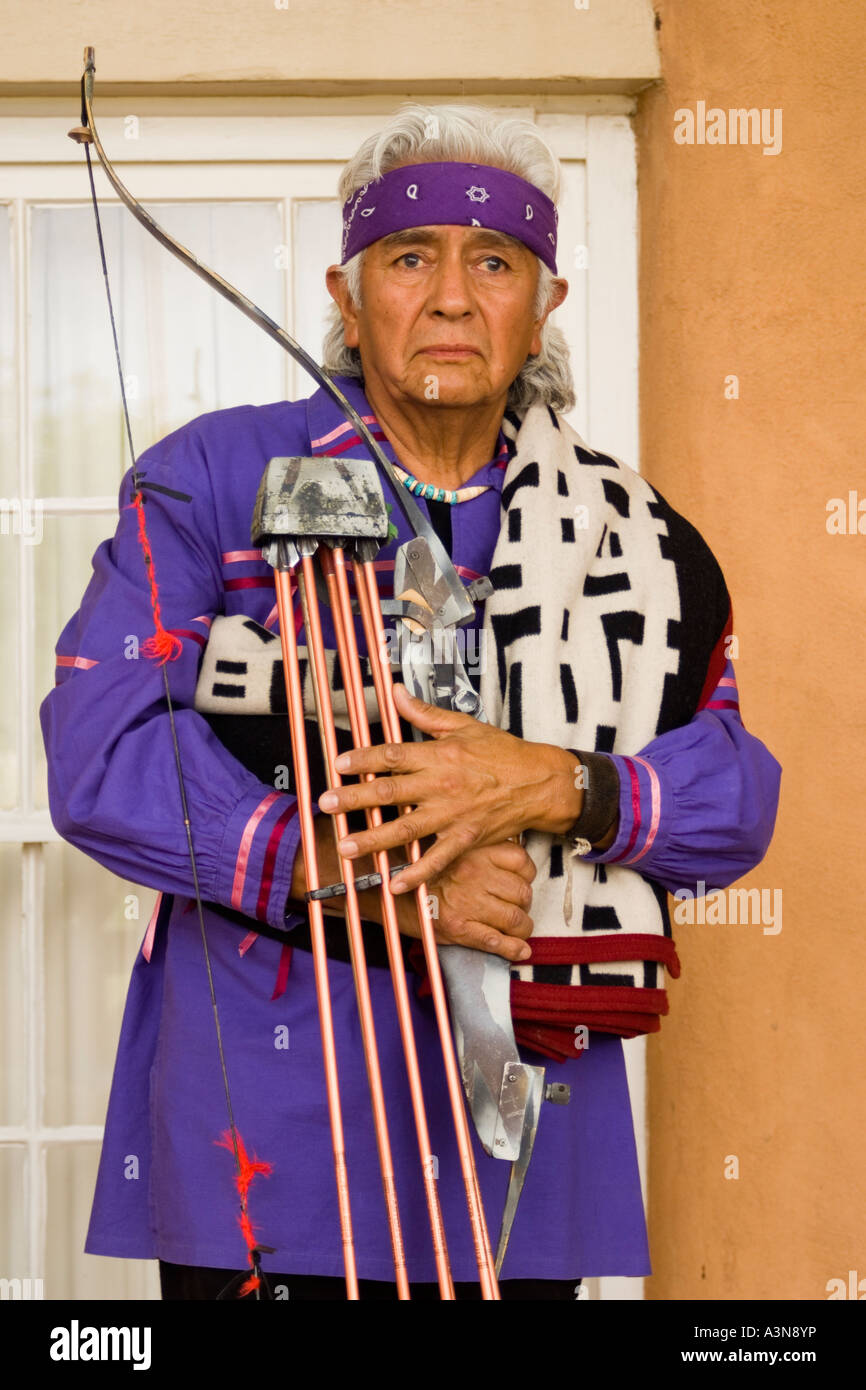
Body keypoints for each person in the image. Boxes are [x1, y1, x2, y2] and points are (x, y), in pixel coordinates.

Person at [40, 104, 781, 1301]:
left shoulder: (632, 536)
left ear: (542, 303)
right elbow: (99, 750)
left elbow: (732, 796)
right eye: (408, 257)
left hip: (528, 1160)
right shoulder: (211, 479)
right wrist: (372, 873)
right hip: (268, 1158)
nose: (449, 297)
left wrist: (555, 782)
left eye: (492, 262)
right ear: (347, 292)